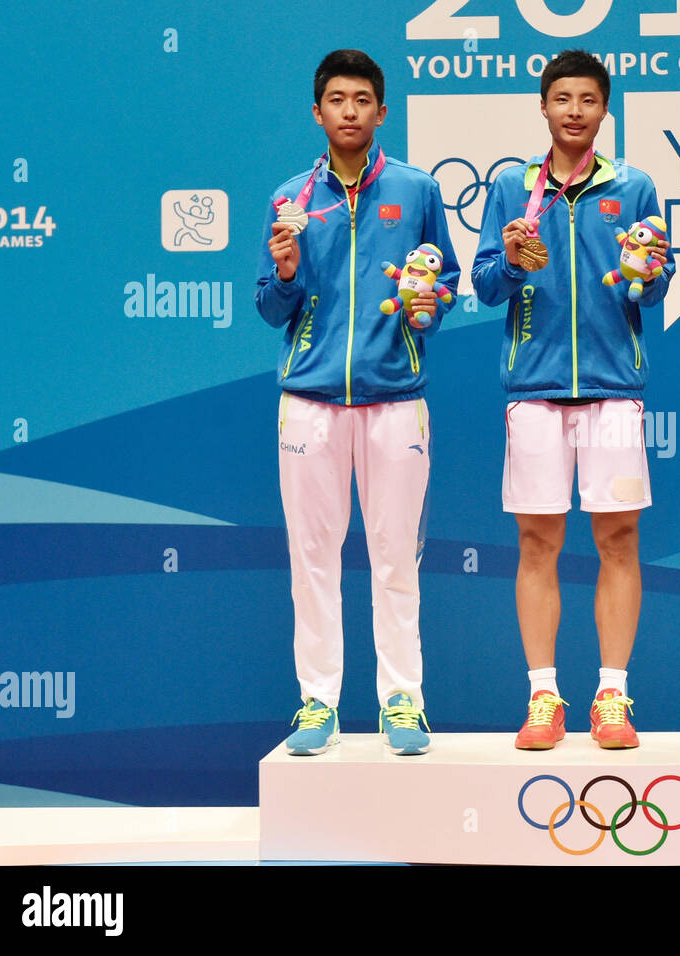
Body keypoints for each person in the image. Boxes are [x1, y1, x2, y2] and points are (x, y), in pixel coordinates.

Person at [255, 49, 459, 757]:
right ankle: (318, 702)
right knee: (312, 556)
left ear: (381, 111)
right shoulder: (290, 198)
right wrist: (284, 270)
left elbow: (444, 286)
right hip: (309, 402)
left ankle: (403, 699)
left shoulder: (418, 189)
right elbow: (270, 305)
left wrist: (427, 307)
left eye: (361, 99)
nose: (349, 110)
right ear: (318, 112)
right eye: (335, 99)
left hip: (396, 398)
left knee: (394, 554)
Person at [472, 49, 674, 751]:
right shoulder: (512, 187)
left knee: (619, 539)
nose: (575, 111)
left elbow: (654, 287)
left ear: (604, 108)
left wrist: (644, 275)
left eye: (588, 99)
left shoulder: (635, 185)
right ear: (544, 106)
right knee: (538, 542)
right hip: (533, 390)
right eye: (562, 98)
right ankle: (543, 696)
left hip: (615, 392)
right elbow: (484, 285)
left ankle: (612, 696)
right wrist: (511, 263)